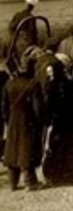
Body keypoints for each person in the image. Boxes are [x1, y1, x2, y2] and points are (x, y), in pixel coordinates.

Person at [41, 53, 73, 185]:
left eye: (51, 72)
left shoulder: (51, 87)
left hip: (60, 122)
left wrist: (48, 119)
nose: (49, 74)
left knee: (57, 149)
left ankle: (58, 175)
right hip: (72, 121)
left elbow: (49, 105)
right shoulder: (68, 84)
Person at [2, 59, 45, 190]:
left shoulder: (9, 84)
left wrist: (8, 120)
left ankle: (12, 183)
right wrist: (40, 121)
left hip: (13, 121)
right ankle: (30, 181)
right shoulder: (33, 84)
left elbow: (4, 106)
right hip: (28, 121)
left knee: (12, 149)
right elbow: (37, 107)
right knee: (27, 150)